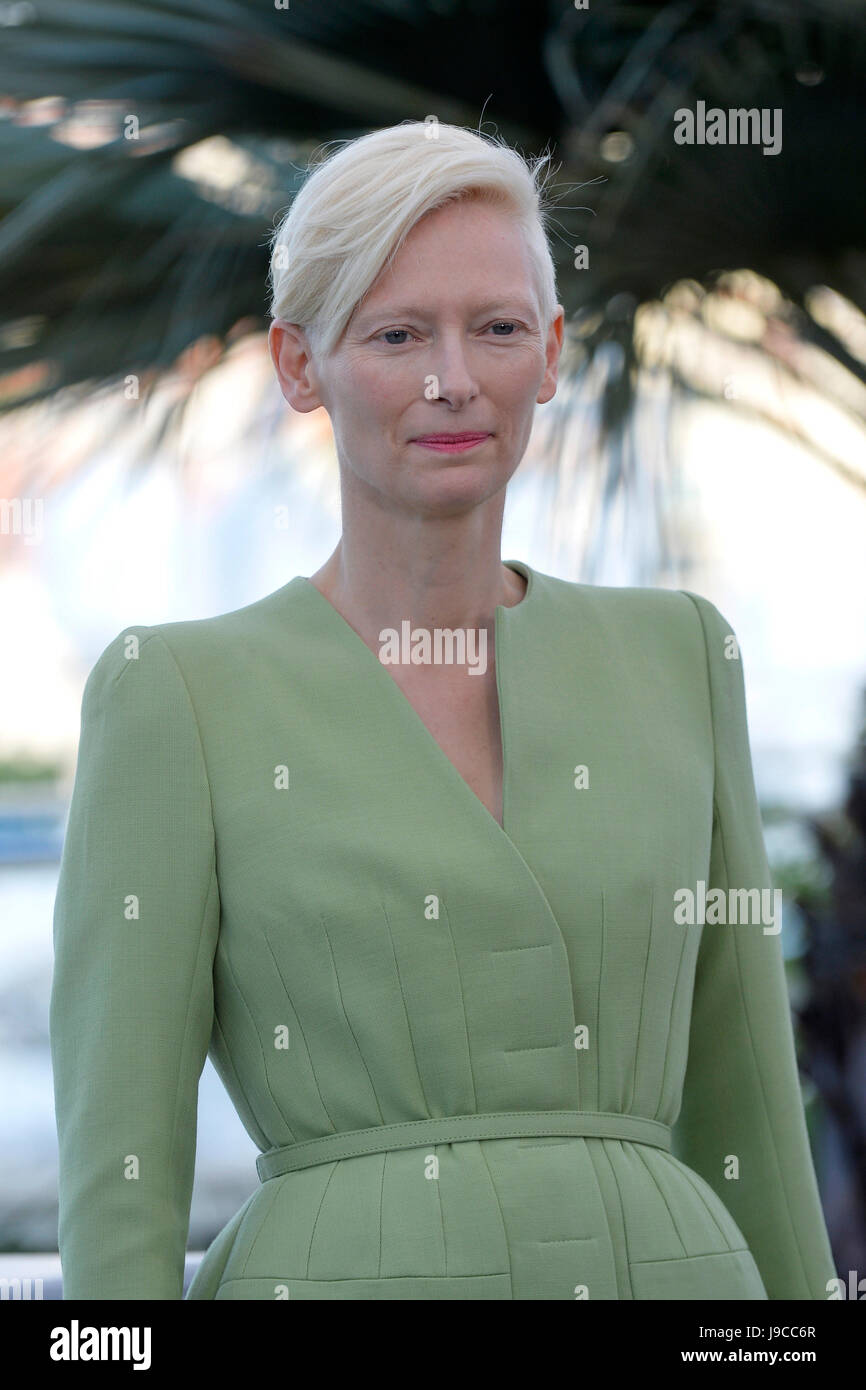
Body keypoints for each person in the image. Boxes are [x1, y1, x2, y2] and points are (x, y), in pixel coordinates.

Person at [50, 120, 836, 1300]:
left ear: (553, 350)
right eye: (397, 332)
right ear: (298, 365)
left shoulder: (679, 654)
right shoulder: (173, 696)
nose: (452, 379)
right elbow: (119, 1172)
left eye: (498, 328)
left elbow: (750, 1107)